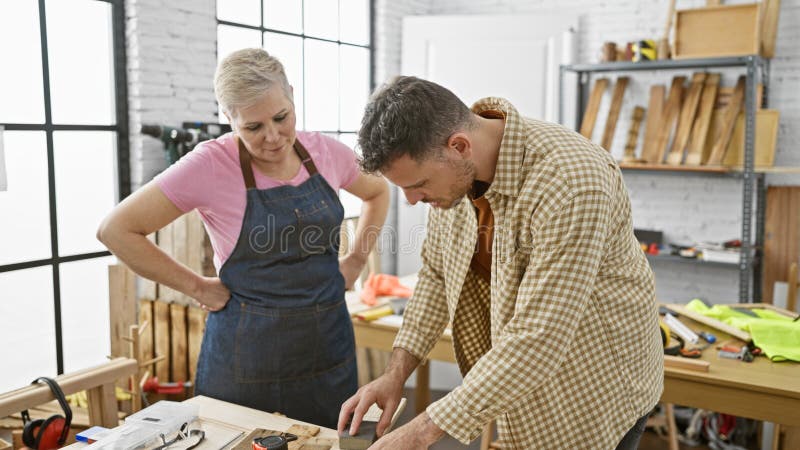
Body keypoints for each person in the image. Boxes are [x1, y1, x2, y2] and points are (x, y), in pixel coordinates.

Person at [338, 76, 663, 449]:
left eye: (418, 184)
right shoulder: (453, 179)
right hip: (525, 387)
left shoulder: (572, 183)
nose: (412, 200)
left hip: (593, 392)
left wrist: (422, 430)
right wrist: (394, 374)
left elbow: (538, 338)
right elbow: (437, 278)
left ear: (458, 146)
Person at [98, 48, 389, 428]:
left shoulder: (324, 153)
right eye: (253, 127)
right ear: (229, 117)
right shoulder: (209, 165)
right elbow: (116, 230)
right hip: (245, 359)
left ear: (292, 96)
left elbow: (378, 191)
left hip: (327, 353)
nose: (272, 137)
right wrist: (197, 287)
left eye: (281, 117)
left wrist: (355, 260)